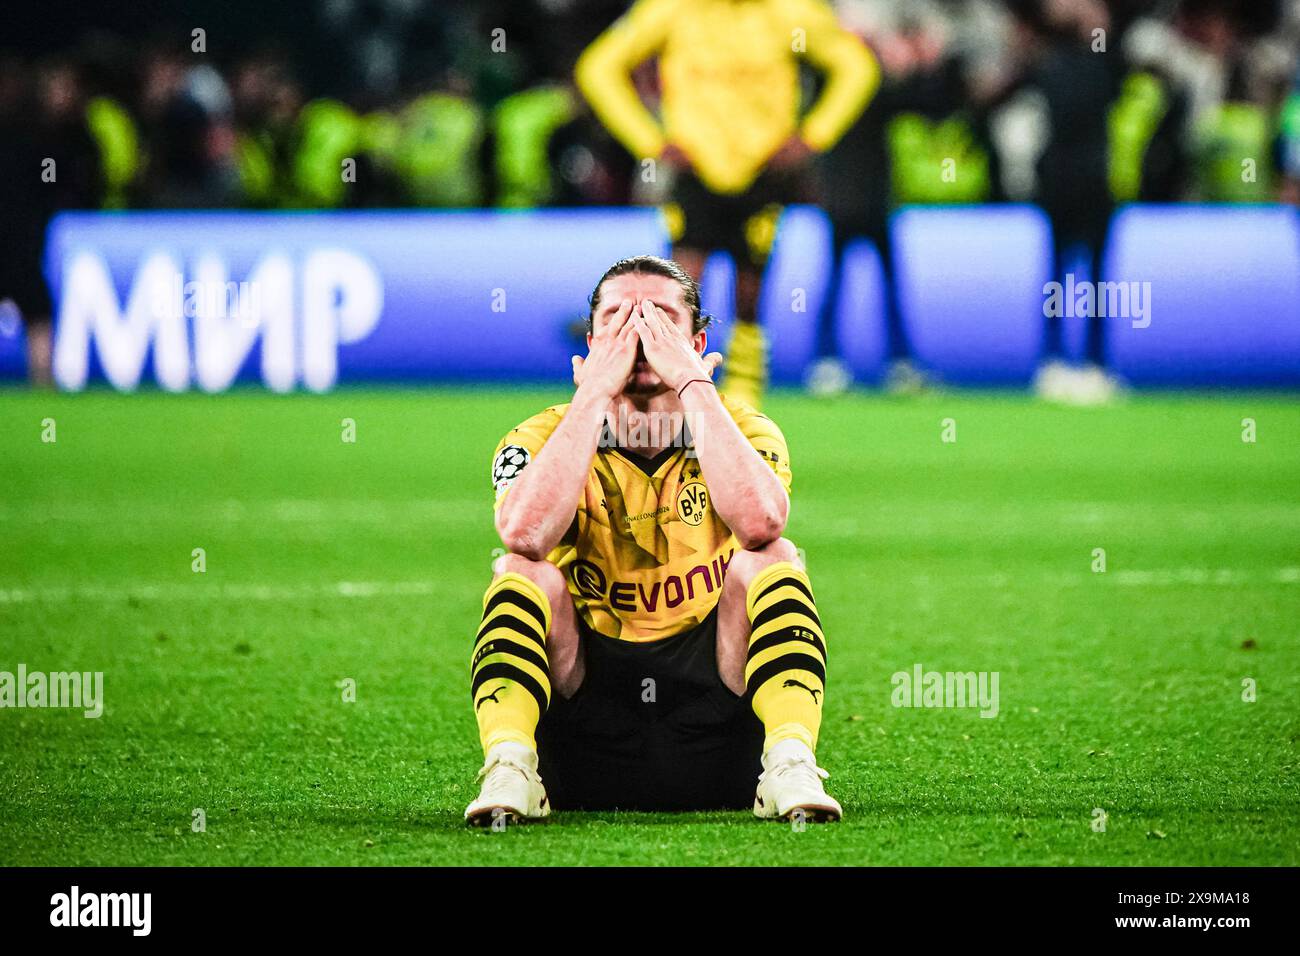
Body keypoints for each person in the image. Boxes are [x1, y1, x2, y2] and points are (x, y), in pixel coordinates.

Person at [464, 255, 839, 823]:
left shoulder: (745, 430)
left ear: (697, 339)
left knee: (772, 559)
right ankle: (512, 769)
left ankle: (788, 764)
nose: (639, 335)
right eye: (619, 320)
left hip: (718, 731)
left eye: (659, 319)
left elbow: (762, 523)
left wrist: (691, 382)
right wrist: (593, 397)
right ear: (590, 344)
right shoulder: (537, 436)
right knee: (521, 570)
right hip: (584, 737)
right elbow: (524, 533)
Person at [574, 0, 879, 409]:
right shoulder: (671, 11)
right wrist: (648, 140)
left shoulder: (790, 13)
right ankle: (670, 387)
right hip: (696, 172)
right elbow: (598, 68)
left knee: (750, 288)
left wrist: (814, 135)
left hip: (763, 171)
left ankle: (744, 394)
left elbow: (857, 67)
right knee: (680, 285)